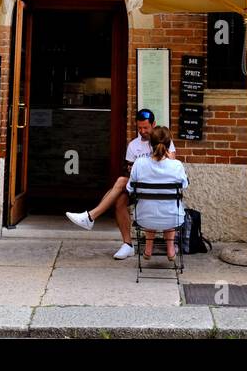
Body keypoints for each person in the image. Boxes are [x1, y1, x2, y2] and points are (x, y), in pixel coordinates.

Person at [65, 109, 177, 259]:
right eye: (139, 128)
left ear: (153, 125)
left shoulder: (163, 141)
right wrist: (133, 169)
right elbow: (129, 170)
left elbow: (171, 167)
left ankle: (91, 217)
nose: (142, 131)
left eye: (146, 128)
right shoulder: (133, 145)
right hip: (139, 187)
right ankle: (127, 245)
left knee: (120, 182)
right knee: (119, 199)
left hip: (158, 189)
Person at [127, 126, 188, 260]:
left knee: (151, 207)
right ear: (168, 145)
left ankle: (148, 249)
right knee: (168, 207)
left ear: (150, 144)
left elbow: (129, 188)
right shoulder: (176, 165)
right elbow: (185, 185)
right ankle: (171, 249)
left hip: (144, 218)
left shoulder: (139, 163)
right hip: (173, 218)